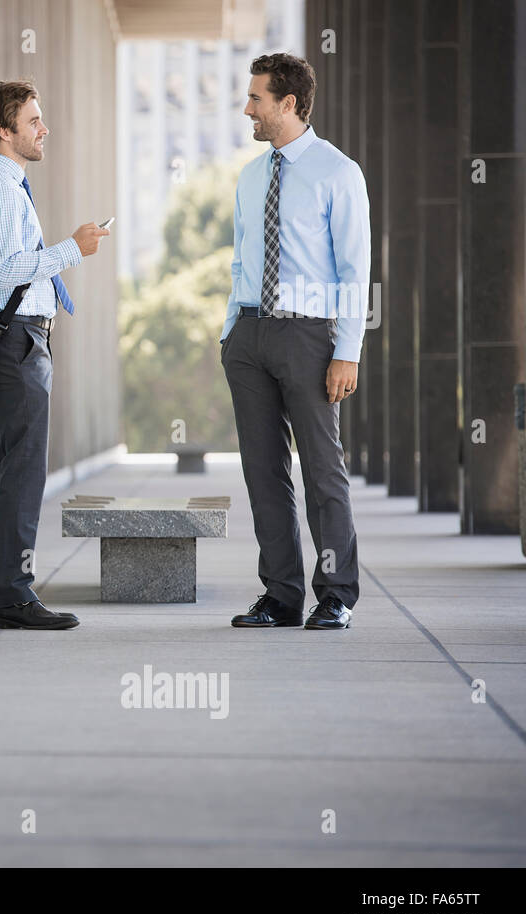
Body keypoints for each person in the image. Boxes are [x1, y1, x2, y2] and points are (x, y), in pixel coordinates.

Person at [221, 53, 369, 630]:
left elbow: (355, 271)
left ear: (289, 103)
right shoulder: (252, 175)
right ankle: (280, 596)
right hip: (250, 334)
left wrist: (347, 350)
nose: (247, 108)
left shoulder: (338, 172)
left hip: (309, 337)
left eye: (256, 98)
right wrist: (231, 328)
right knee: (263, 470)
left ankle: (335, 593)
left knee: (322, 469)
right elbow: (240, 259)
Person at [0, 79, 108, 630]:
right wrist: (72, 249)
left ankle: (0, 599)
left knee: (5, 470)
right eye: (34, 121)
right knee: (20, 473)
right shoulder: (0, 188)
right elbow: (5, 270)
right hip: (17, 341)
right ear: (5, 131)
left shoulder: (7, 183)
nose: (45, 129)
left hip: (18, 339)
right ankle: (14, 598)